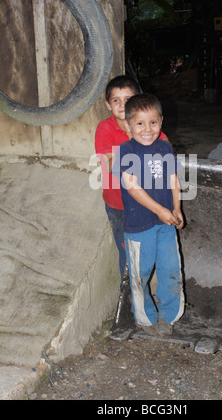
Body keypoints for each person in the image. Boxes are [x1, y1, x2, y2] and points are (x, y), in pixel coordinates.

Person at [112, 93, 185, 338]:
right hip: (140, 225)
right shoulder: (125, 151)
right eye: (140, 123)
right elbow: (132, 187)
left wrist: (176, 208)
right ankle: (146, 320)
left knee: (170, 268)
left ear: (161, 122)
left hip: (166, 223)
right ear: (127, 125)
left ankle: (169, 316)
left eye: (153, 122)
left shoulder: (165, 147)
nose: (147, 129)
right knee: (140, 274)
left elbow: (174, 179)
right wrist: (161, 210)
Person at [94, 76, 168, 280]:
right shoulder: (105, 128)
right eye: (116, 100)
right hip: (119, 204)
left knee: (151, 248)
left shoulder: (149, 128)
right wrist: (131, 142)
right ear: (108, 104)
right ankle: (127, 293)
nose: (122, 105)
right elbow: (110, 165)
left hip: (149, 202)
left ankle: (148, 284)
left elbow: (165, 159)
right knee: (127, 251)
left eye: (128, 99)